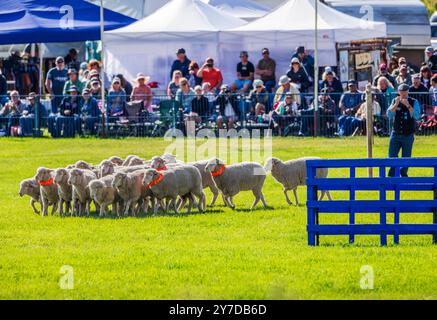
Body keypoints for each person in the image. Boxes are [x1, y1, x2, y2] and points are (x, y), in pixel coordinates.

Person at [387, 84, 421, 177]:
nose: (403, 94)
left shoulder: (414, 101)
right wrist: (396, 105)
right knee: (392, 156)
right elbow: (389, 115)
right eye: (401, 92)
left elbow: (417, 116)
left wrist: (408, 106)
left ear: (408, 91)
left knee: (406, 157)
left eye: (404, 92)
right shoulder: (394, 100)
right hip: (396, 134)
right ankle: (392, 175)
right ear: (398, 92)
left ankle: (403, 173)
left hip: (408, 134)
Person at [45, 56, 68, 137]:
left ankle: (64, 130)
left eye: (61, 62)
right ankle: (53, 131)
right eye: (58, 62)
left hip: (64, 97)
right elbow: (47, 83)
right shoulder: (52, 71)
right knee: (54, 113)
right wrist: (51, 93)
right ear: (55, 63)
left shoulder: (67, 71)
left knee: (64, 113)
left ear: (64, 63)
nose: (60, 63)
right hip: (55, 96)